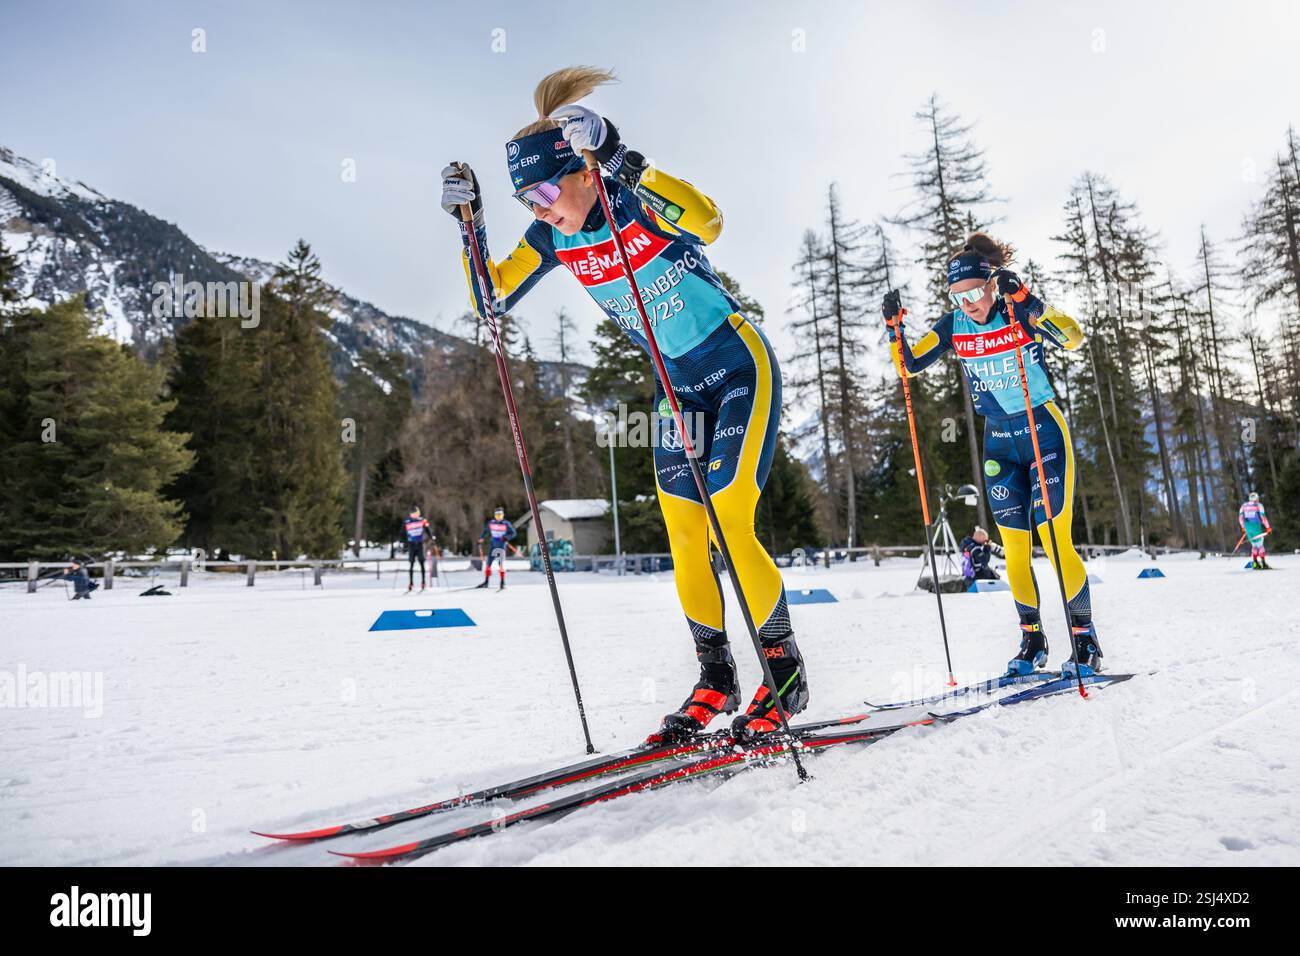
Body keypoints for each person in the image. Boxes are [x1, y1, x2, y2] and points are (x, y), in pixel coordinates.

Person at [441, 67, 807, 742]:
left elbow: (710, 222)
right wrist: (473, 224)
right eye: (526, 200)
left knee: (729, 515)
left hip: (734, 366)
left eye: (546, 190)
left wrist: (619, 155)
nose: (540, 207)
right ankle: (716, 677)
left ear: (581, 171)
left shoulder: (632, 199)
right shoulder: (553, 238)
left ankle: (784, 674)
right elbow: (489, 299)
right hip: (675, 388)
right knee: (685, 536)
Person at [883, 232, 1103, 677]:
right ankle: (1032, 640)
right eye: (957, 296)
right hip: (998, 444)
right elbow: (907, 364)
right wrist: (894, 330)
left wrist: (1028, 300)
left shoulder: (1016, 311)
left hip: (1044, 433)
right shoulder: (953, 327)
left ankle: (1085, 642)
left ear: (990, 285)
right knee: (1017, 552)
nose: (967, 303)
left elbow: (1074, 338)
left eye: (974, 293)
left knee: (1055, 542)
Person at [477, 507, 517, 590]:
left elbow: (513, 533)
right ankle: (486, 582)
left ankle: (502, 582)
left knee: (501, 564)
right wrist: (481, 538)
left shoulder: (506, 523)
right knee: (488, 563)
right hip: (493, 544)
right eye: (497, 515)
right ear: (495, 515)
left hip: (501, 545)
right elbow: (485, 531)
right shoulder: (491, 523)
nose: (498, 517)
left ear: (503, 515)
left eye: (500, 515)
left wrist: (506, 537)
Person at [402, 506, 435, 592]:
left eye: (417, 513)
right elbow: (402, 533)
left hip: (420, 544)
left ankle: (423, 582)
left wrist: (432, 538)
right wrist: (404, 544)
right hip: (411, 545)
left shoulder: (422, 520)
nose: (416, 515)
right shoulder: (407, 521)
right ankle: (411, 583)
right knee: (411, 564)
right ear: (411, 514)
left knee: (422, 563)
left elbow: (428, 529)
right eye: (414, 514)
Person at [1239, 492, 1272, 569]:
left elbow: (1240, 517)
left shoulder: (1243, 505)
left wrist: (1243, 527)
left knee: (1254, 545)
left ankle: (1255, 563)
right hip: (1256, 527)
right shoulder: (1259, 505)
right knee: (1260, 546)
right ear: (1257, 499)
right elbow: (1263, 517)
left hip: (1247, 528)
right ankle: (1263, 564)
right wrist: (1268, 527)